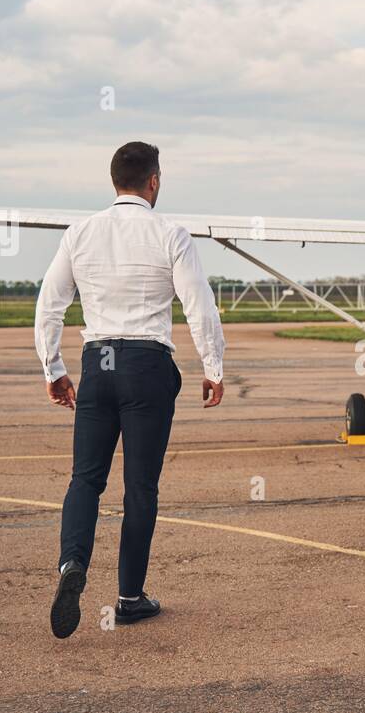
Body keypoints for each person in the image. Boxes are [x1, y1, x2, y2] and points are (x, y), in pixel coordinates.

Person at [34, 141, 225, 639]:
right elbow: (198, 305)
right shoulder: (171, 235)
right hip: (146, 365)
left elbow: (49, 305)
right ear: (154, 181)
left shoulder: (80, 233)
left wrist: (53, 368)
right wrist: (214, 366)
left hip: (98, 364)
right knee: (139, 488)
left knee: (85, 479)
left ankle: (71, 564)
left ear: (114, 180)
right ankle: (129, 597)